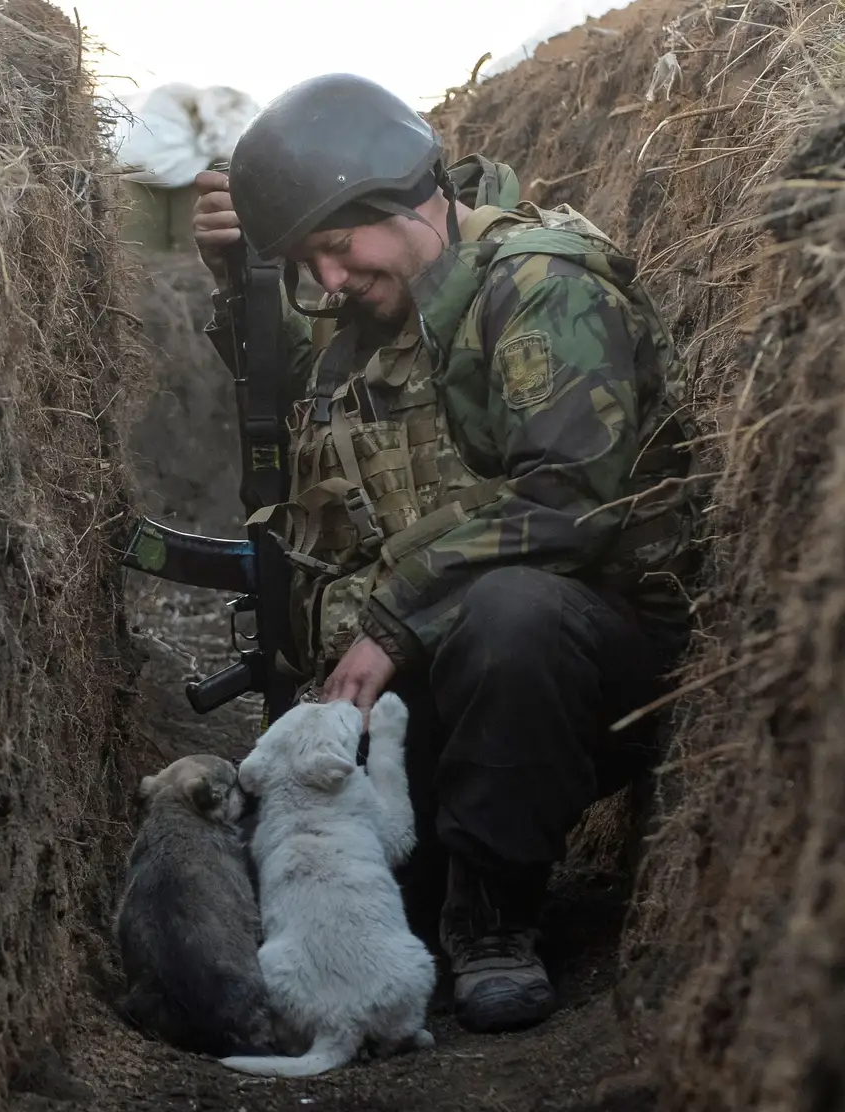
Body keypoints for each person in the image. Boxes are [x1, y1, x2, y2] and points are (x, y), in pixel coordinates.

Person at [192, 73, 697, 1033]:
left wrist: (389, 620)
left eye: (338, 249)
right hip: (449, 673)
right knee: (360, 897)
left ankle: (496, 924)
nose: (330, 282)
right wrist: (242, 282)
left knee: (516, 614)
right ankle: (447, 884)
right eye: (312, 264)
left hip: (583, 662)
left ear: (404, 197)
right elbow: (316, 419)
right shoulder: (387, 310)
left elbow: (570, 500)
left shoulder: (540, 289)